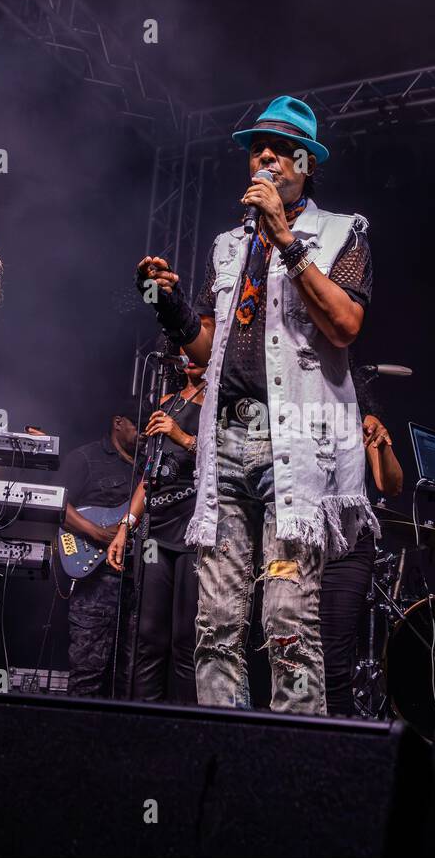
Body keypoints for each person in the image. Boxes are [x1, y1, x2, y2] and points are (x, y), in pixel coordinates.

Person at [135, 96, 376, 714]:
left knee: (288, 621)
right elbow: (210, 345)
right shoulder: (225, 246)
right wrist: (172, 306)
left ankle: (295, 762)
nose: (264, 156)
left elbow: (346, 325)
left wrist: (286, 240)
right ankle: (224, 753)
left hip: (296, 439)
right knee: (214, 624)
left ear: (307, 163)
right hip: (227, 439)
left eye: (279, 147)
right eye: (255, 147)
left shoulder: (341, 232)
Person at [106, 356, 206, 704]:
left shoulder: (220, 402)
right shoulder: (166, 402)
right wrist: (125, 527)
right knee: (147, 633)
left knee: (184, 637)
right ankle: (143, 720)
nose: (187, 355)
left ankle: (180, 723)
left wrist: (180, 435)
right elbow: (149, 475)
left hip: (193, 525)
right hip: (156, 526)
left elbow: (227, 460)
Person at [318, 372, 403, 716]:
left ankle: (340, 743)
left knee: (335, 659)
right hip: (301, 541)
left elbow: (390, 485)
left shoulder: (360, 421)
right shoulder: (291, 412)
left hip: (349, 545)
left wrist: (382, 444)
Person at [56, 407, 138, 697]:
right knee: (87, 675)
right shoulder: (85, 458)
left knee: (129, 679)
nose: (143, 434)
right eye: (137, 425)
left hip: (138, 583)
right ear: (118, 422)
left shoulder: (150, 468)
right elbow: (57, 505)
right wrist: (98, 533)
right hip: (96, 583)